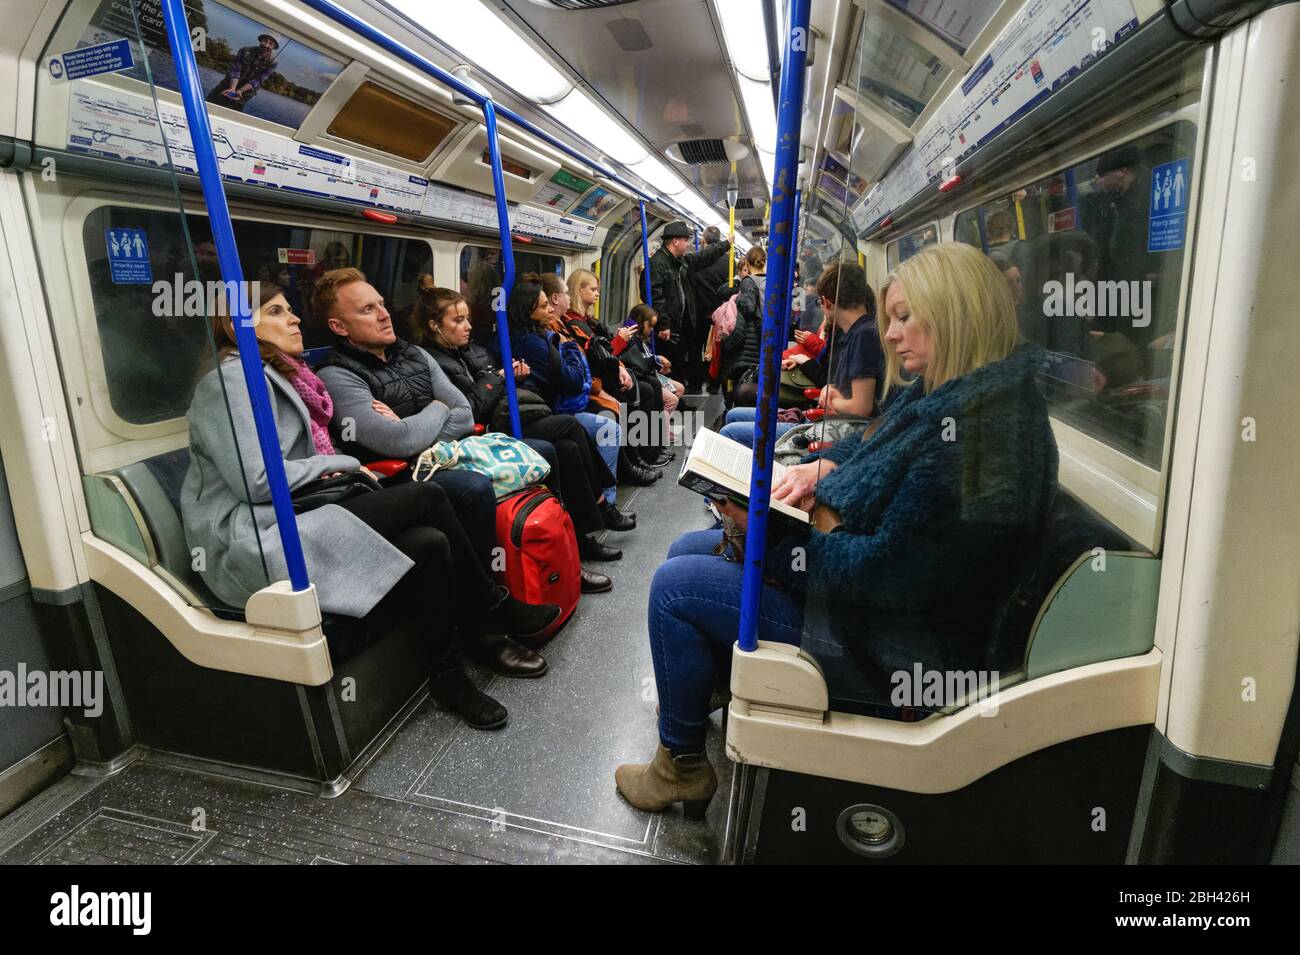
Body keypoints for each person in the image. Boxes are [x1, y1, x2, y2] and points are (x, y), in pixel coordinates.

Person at [615, 242, 1059, 814]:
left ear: (953, 315)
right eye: (889, 318)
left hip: (890, 645)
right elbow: (879, 452)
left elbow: (886, 576)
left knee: (674, 589)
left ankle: (679, 767)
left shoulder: (982, 438)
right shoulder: (953, 396)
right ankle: (695, 701)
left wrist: (769, 538)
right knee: (684, 546)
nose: (891, 335)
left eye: (903, 318)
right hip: (871, 596)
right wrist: (822, 469)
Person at [182, 282, 560, 731]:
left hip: (301, 509)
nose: (296, 318)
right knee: (431, 495)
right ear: (236, 325)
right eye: (278, 311)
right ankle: (491, 606)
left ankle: (449, 678)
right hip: (254, 533)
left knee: (430, 541)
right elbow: (257, 481)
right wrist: (342, 463)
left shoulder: (277, 375)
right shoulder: (229, 384)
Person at [309, 268, 554, 678]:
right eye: (368, 310)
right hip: (398, 475)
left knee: (541, 451)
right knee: (470, 490)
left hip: (442, 453)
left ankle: (550, 566)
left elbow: (462, 411)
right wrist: (434, 410)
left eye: (382, 304)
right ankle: (488, 631)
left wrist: (423, 417)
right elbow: (395, 442)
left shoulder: (413, 353)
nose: (385, 315)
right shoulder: (337, 375)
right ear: (339, 326)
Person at [411, 285, 622, 591]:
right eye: (458, 320)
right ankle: (597, 509)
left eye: (468, 318)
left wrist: (501, 380)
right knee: (562, 436)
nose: (469, 326)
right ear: (434, 326)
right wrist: (498, 379)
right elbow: (470, 408)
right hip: (486, 432)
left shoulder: (475, 350)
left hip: (505, 418)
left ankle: (575, 540)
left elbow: (482, 392)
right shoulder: (435, 363)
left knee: (564, 447)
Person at [501, 276, 637, 535]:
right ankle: (604, 503)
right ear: (529, 311)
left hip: (549, 405)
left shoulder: (547, 333)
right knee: (597, 428)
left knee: (571, 445)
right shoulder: (534, 341)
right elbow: (570, 379)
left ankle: (598, 512)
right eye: (543, 307)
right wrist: (572, 351)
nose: (550, 310)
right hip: (549, 409)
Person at [718, 261, 881, 449]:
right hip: (826, 418)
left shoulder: (862, 335)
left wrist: (830, 396)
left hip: (830, 427)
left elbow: (861, 407)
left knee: (728, 431)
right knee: (733, 415)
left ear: (827, 302)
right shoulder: (857, 332)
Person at [563, 269, 667, 477]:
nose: (597, 294)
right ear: (578, 290)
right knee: (639, 392)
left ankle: (648, 451)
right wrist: (620, 342)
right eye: (592, 289)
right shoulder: (574, 325)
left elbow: (606, 355)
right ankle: (634, 460)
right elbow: (597, 359)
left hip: (606, 373)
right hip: (595, 380)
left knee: (649, 387)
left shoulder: (590, 322)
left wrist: (620, 366)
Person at [648, 220, 730, 380]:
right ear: (675, 241)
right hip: (668, 328)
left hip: (680, 325)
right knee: (670, 365)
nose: (687, 244)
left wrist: (725, 244)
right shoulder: (658, 264)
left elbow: (703, 257)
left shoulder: (681, 262)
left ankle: (679, 400)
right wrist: (663, 323)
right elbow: (655, 296)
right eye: (685, 240)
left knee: (677, 364)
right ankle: (672, 401)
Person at [719, 246, 769, 404]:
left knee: (741, 380)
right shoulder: (772, 281)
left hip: (749, 340)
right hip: (765, 337)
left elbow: (748, 307)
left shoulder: (748, 282)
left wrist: (737, 298)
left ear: (747, 263)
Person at [685, 226, 731, 392]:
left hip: (698, 309)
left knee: (696, 348)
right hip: (721, 311)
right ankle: (714, 384)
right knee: (719, 349)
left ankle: (696, 383)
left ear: (703, 240)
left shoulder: (697, 260)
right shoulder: (729, 261)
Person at [207, 34, 280, 112]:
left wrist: (240, 91)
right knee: (209, 103)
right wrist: (232, 89)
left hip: (245, 93)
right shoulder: (244, 50)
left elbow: (258, 80)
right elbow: (235, 70)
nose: (266, 45)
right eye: (265, 41)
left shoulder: (273, 62)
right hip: (228, 84)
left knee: (230, 113)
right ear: (261, 40)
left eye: (271, 44)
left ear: (273, 47)